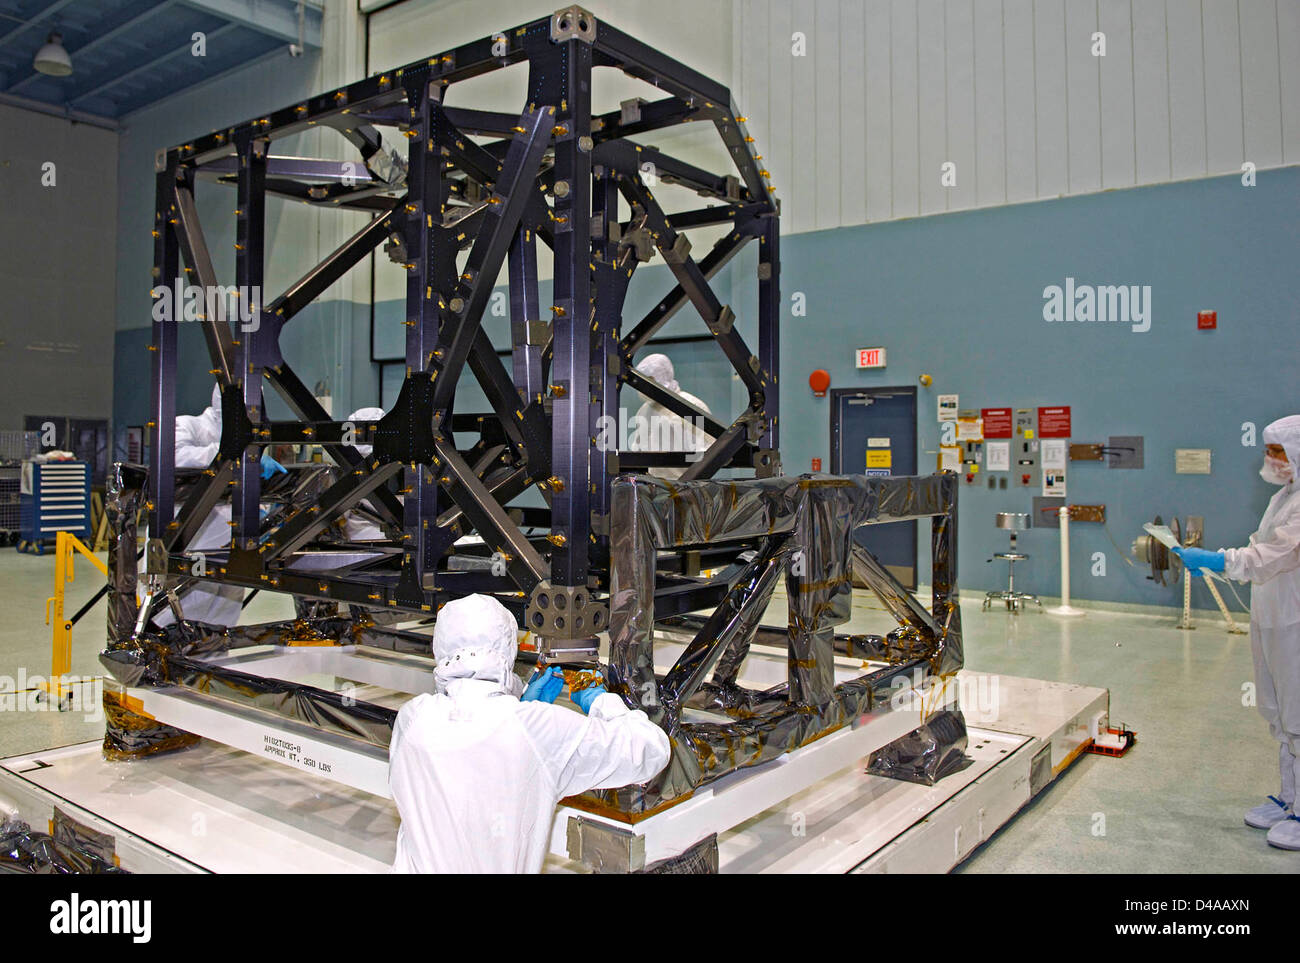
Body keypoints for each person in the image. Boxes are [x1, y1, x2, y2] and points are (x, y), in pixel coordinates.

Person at [388, 594, 671, 873]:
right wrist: (600, 701)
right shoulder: (537, 730)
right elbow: (652, 750)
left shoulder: (412, 719)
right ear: (507, 650)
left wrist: (521, 702)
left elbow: (474, 750)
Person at [1176, 416, 1300, 851]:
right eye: (1268, 450)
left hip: (1296, 622)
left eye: (1278, 451)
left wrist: (1217, 560)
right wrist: (1224, 561)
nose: (1270, 459)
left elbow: (1272, 555)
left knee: (1299, 715)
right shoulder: (1284, 496)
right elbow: (1259, 548)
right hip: (1272, 618)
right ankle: (1290, 799)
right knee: (1280, 713)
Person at [156, 384, 285, 627]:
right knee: (170, 615)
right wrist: (234, 453)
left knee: (221, 622)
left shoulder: (253, 440)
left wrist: (266, 514)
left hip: (231, 548)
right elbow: (174, 458)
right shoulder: (186, 425)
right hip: (188, 545)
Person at [633, 353, 714, 480]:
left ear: (662, 378)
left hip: (686, 487)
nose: (643, 388)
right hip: (652, 487)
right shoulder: (644, 411)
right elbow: (638, 450)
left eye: (649, 380)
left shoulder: (693, 406)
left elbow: (710, 453)